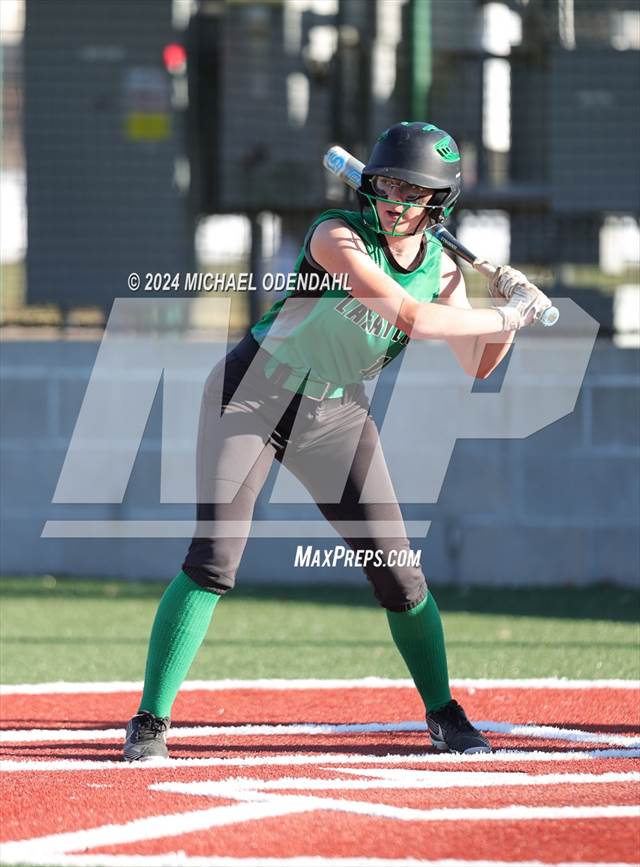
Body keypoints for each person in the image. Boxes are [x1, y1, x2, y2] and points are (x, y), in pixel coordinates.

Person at [123, 122, 551, 761]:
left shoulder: (442, 270)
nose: (392, 199)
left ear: (439, 203)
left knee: (399, 577)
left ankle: (443, 712)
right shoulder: (337, 234)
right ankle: (150, 722)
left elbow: (477, 363)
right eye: (385, 185)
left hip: (335, 412)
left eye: (411, 191)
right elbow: (410, 318)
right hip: (253, 394)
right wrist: (508, 313)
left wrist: (501, 309)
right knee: (214, 558)